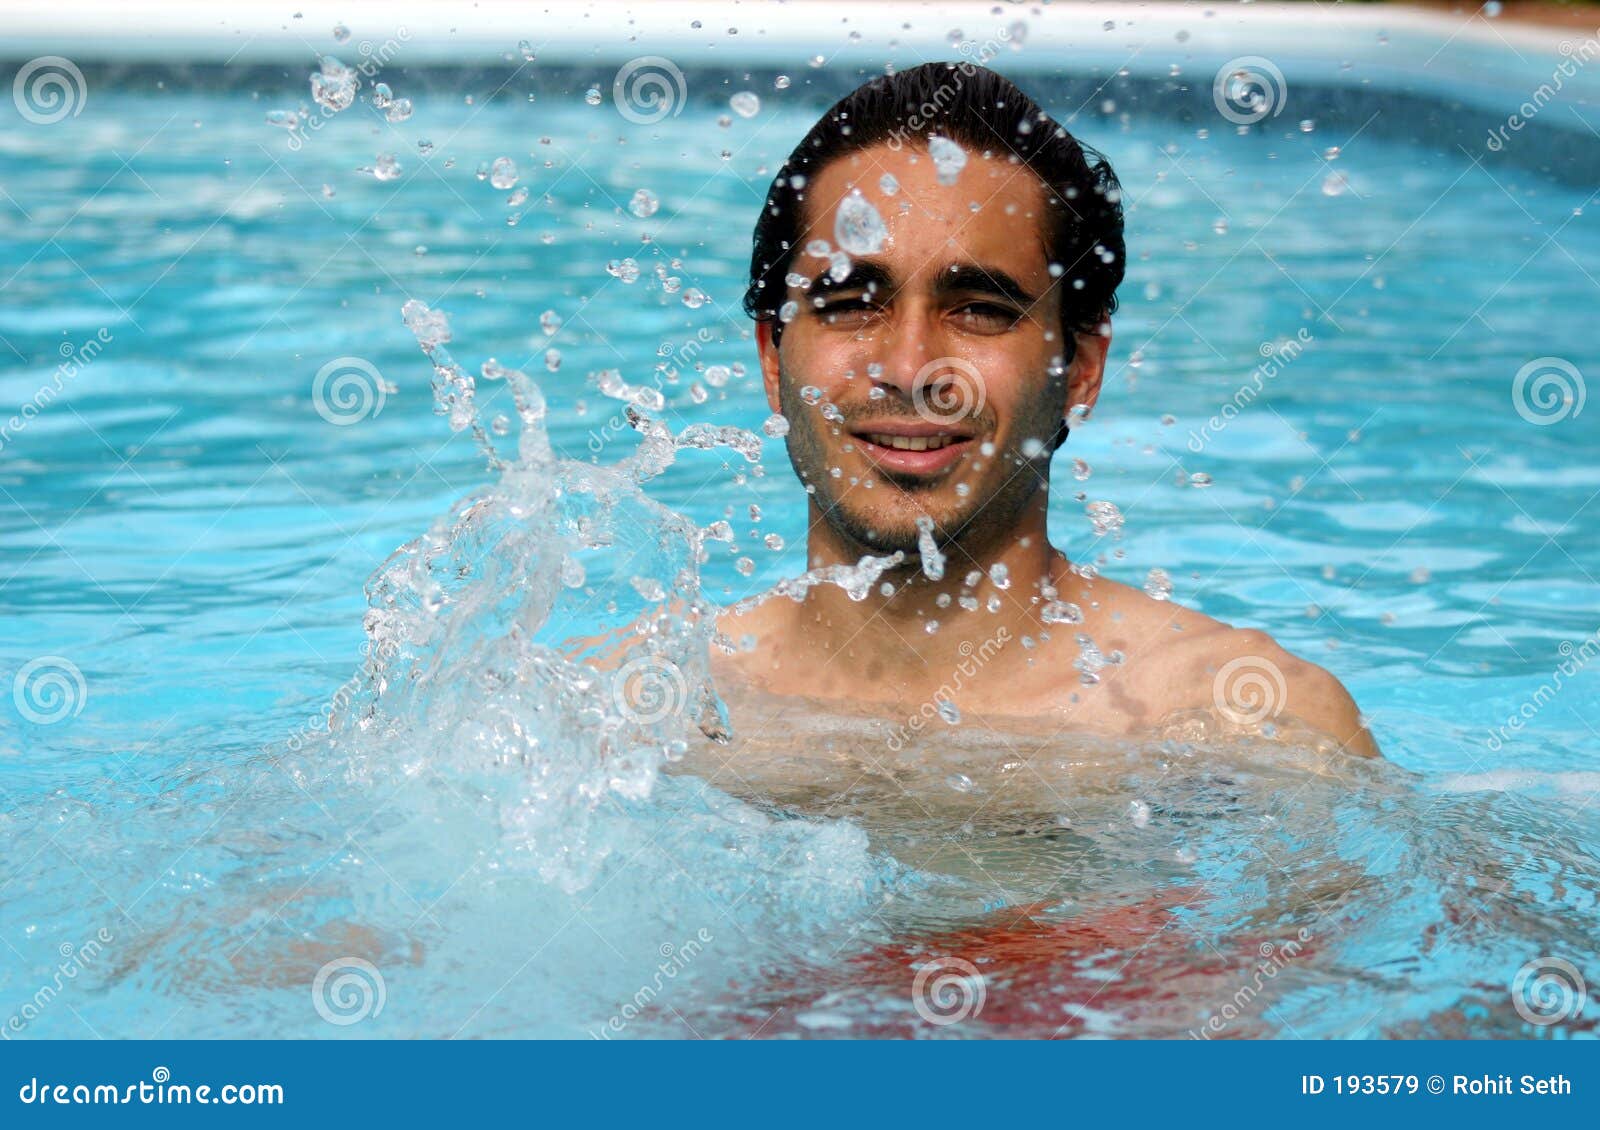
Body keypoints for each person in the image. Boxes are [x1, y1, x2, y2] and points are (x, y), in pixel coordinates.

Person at [711, 62, 1378, 758]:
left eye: (979, 310)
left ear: (1080, 367)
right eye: (852, 306)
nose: (910, 370)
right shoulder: (668, 702)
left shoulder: (1238, 724)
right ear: (772, 357)